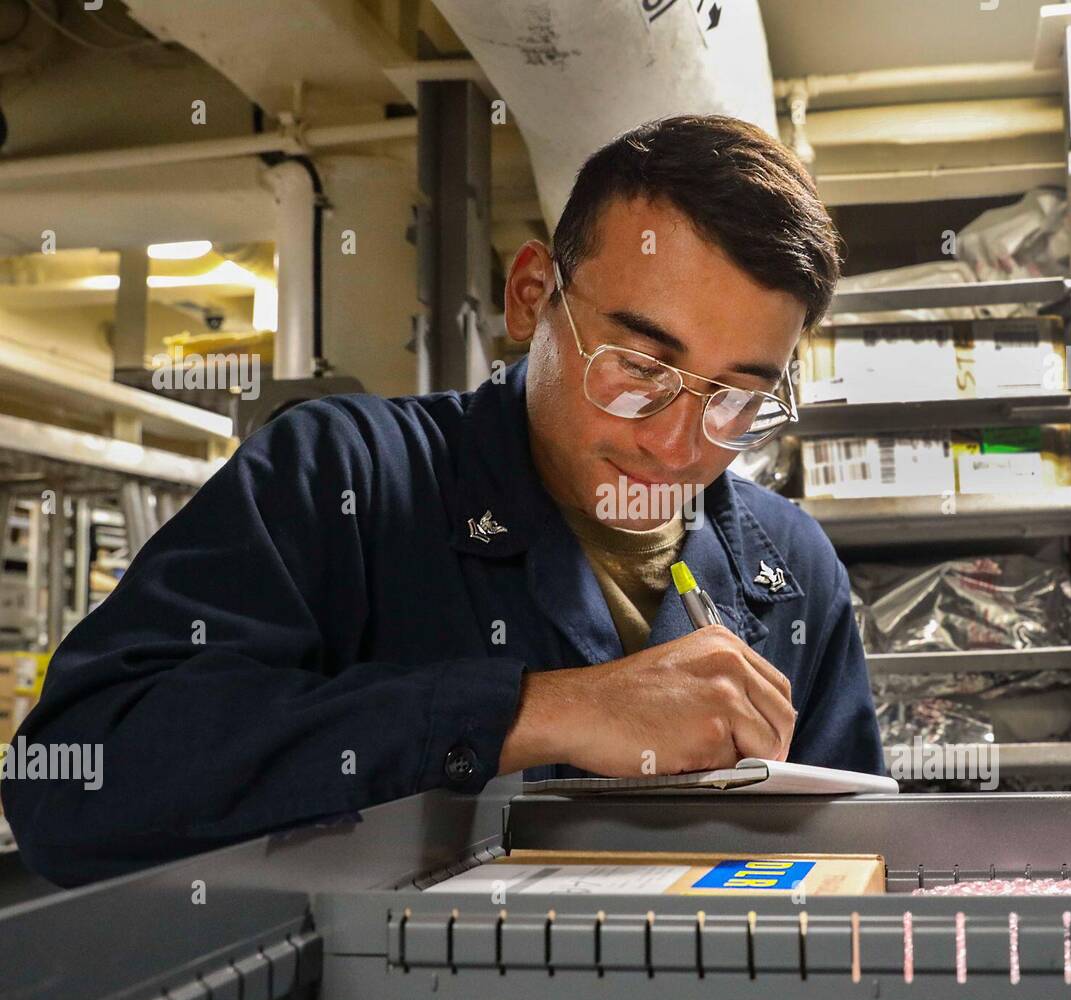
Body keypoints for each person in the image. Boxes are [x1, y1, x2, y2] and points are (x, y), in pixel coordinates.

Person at [1, 114, 884, 888]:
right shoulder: (348, 480)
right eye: (641, 369)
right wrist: (533, 709)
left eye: (736, 399)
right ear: (533, 297)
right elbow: (74, 780)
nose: (679, 444)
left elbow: (856, 863)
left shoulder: (790, 564)